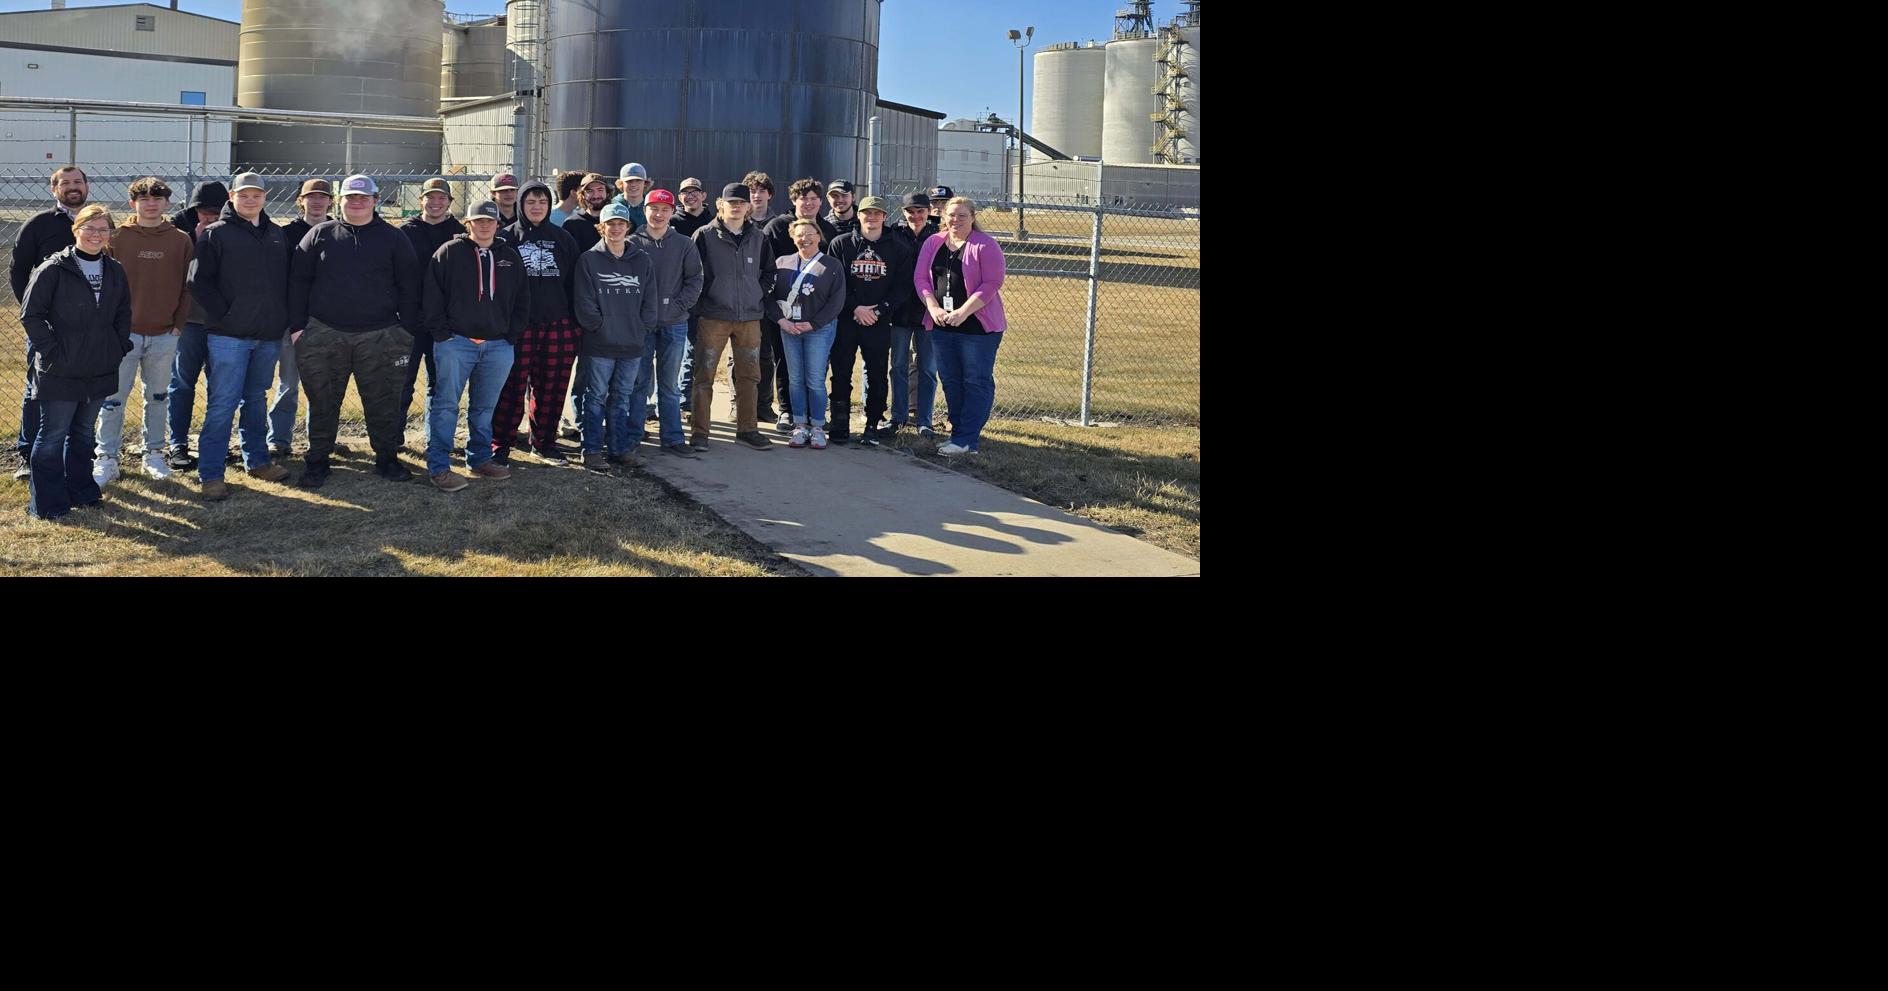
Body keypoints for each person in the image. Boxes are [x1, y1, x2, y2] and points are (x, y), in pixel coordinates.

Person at [287, 173, 422, 488]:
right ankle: (318, 461)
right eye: (350, 197)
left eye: (364, 197)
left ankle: (386, 459)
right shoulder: (320, 234)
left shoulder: (394, 237)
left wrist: (406, 328)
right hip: (324, 333)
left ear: (376, 200)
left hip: (382, 334)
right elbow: (298, 282)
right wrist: (297, 328)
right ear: (340, 201)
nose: (357, 202)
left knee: (383, 400)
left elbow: (410, 285)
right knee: (322, 400)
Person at [20, 204, 130, 520]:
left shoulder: (115, 270)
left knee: (83, 433)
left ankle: (82, 491)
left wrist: (117, 347)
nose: (96, 234)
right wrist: (53, 351)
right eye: (89, 228)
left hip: (99, 366)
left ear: (110, 234)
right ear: (76, 230)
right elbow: (32, 315)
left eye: (103, 229)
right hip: (60, 368)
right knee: (53, 435)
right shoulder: (53, 269)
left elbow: (123, 313)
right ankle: (48, 503)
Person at [188, 172, 293, 500]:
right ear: (231, 197)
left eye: (256, 194)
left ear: (264, 197)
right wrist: (227, 314)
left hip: (268, 335)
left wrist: (279, 317)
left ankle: (258, 460)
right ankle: (211, 472)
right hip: (229, 337)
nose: (251, 200)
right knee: (222, 403)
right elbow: (197, 281)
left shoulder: (276, 234)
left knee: (256, 398)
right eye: (244, 194)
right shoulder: (215, 234)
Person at [421, 200, 528, 492]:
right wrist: (443, 335)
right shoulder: (449, 253)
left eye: (490, 221)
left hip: (497, 346)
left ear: (497, 224)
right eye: (478, 220)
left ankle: (479, 458)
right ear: (467, 223)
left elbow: (522, 299)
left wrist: (511, 336)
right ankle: (439, 467)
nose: (484, 226)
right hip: (456, 343)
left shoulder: (509, 256)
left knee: (484, 407)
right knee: (445, 405)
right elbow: (432, 296)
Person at [96, 176, 192, 485]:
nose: (151, 203)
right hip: (123, 336)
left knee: (158, 397)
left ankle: (153, 454)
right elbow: (104, 284)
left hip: (164, 334)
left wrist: (178, 325)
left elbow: (187, 286)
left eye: (157, 198)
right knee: (112, 399)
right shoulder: (118, 238)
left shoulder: (180, 239)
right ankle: (107, 457)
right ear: (132, 203)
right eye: (144, 198)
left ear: (166, 203)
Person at [491, 180, 579, 465]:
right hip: (517, 326)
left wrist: (573, 324)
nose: (537, 207)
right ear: (520, 205)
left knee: (551, 386)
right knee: (510, 386)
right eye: (530, 202)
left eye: (542, 202)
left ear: (549, 205)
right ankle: (500, 442)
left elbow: (574, 283)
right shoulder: (505, 238)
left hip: (557, 323)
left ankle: (544, 442)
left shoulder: (563, 238)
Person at [9, 165, 89, 480]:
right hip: (49, 327)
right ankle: (29, 456)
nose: (72, 187)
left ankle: (76, 455)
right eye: (65, 183)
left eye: (77, 182)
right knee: (39, 388)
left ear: (87, 186)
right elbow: (18, 272)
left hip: (91, 328)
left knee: (86, 389)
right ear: (53, 189)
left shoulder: (98, 222)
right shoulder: (38, 224)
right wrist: (34, 315)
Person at [914, 197, 1007, 456]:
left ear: (973, 217)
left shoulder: (985, 245)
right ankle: (958, 435)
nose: (955, 220)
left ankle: (967, 440)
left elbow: (992, 283)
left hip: (977, 328)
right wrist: (933, 308)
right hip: (943, 325)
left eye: (962, 215)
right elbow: (921, 278)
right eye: (951, 215)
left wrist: (963, 312)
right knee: (951, 381)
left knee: (976, 380)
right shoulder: (934, 242)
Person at [572, 202, 658, 473]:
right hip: (599, 343)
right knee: (596, 395)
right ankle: (593, 450)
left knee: (622, 396)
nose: (616, 228)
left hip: (632, 343)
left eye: (621, 224)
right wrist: (598, 326)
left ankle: (619, 448)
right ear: (602, 227)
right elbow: (584, 301)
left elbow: (650, 299)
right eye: (611, 224)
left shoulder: (641, 259)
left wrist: (642, 326)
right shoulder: (589, 259)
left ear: (627, 227)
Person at [689, 183, 775, 451]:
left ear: (748, 206)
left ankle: (747, 429)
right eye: (731, 202)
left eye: (741, 202)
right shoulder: (704, 235)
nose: (736, 207)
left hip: (749, 317)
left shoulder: (758, 237)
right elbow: (693, 274)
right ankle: (700, 432)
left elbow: (770, 272)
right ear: (720, 204)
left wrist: (755, 294)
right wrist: (703, 305)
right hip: (714, 316)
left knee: (750, 375)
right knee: (704, 375)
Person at [827, 196, 914, 446]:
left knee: (876, 373)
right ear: (859, 215)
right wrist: (855, 307)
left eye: (877, 213)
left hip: (878, 320)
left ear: (885, 217)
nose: (871, 217)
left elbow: (902, 287)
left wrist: (879, 310)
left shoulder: (898, 248)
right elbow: (836, 282)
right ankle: (840, 421)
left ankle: (872, 423)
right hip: (847, 319)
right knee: (841, 370)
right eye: (867, 213)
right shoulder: (841, 244)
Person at [627, 188, 703, 459]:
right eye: (653, 209)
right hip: (641, 325)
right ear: (645, 210)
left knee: (669, 385)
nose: (658, 214)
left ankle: (672, 437)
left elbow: (695, 279)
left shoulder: (684, 244)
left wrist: (679, 305)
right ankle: (633, 435)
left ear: (672, 212)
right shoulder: (632, 242)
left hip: (674, 323)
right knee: (638, 383)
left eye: (664, 209)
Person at [760, 179, 839, 431]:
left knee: (816, 371)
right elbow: (765, 267)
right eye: (804, 198)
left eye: (815, 198)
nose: (809, 202)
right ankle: (788, 412)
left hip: (817, 317)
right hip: (784, 314)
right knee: (785, 363)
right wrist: (777, 314)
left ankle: (815, 418)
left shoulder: (829, 229)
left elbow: (836, 281)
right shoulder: (776, 228)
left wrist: (818, 320)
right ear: (794, 200)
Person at [163, 179, 230, 471]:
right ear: (194, 210)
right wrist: (197, 240)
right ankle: (177, 444)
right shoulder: (179, 234)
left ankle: (216, 443)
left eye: (216, 210)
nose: (210, 216)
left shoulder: (234, 229)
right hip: (189, 321)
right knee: (182, 384)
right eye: (204, 210)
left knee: (222, 387)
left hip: (223, 323)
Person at [269, 178, 335, 457]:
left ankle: (319, 439)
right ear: (300, 200)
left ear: (331, 201)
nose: (317, 201)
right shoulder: (287, 234)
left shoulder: (338, 231)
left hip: (329, 321)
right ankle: (279, 439)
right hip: (294, 320)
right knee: (289, 382)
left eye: (323, 197)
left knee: (325, 385)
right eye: (311, 196)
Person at [398, 177, 465, 446]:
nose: (436, 202)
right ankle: (394, 437)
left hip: (445, 323)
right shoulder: (405, 231)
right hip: (410, 321)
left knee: (440, 386)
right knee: (403, 383)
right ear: (421, 200)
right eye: (430, 197)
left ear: (449, 201)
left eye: (442, 198)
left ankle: (435, 439)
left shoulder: (460, 232)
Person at [769, 218, 846, 450]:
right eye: (800, 235)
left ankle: (818, 427)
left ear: (819, 235)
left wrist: (814, 323)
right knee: (795, 379)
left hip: (818, 330)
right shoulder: (782, 262)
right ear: (793, 238)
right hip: (789, 328)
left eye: (810, 234)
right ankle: (800, 425)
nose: (805, 239)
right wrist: (781, 321)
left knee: (814, 379)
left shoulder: (831, 265)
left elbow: (837, 300)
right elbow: (769, 296)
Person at [889, 191, 941, 438]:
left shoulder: (939, 235)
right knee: (898, 365)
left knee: (928, 368)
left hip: (928, 311)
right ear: (904, 212)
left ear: (928, 211)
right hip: (900, 310)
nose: (916, 216)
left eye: (920, 211)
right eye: (911, 211)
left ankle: (924, 420)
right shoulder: (894, 234)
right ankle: (898, 417)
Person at [669, 177, 712, 416]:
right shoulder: (672, 221)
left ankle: (687, 400)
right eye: (685, 192)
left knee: (696, 350)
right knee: (673, 351)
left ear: (704, 196)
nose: (690, 196)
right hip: (677, 295)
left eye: (695, 192)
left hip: (704, 296)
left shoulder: (712, 222)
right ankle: (673, 399)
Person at [561, 172, 612, 253]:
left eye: (600, 190)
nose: (596, 195)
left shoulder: (619, 222)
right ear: (582, 195)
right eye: (590, 191)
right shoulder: (572, 224)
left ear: (607, 193)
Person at [608, 162, 649, 230]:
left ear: (645, 183)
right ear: (621, 183)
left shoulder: (652, 205)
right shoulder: (612, 205)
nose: (633, 184)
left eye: (638, 180)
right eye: (629, 181)